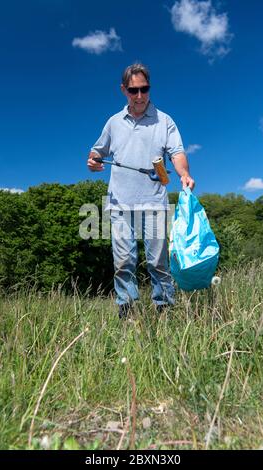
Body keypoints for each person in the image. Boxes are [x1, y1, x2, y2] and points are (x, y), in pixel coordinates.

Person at [87, 63, 195, 318]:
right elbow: (97, 153)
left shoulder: (164, 120)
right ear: (124, 90)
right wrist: (93, 161)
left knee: (158, 261)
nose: (139, 96)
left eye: (144, 89)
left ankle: (165, 311)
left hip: (155, 203)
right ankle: (128, 313)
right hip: (120, 204)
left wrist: (184, 174)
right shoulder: (113, 123)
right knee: (123, 262)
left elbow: (177, 152)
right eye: (133, 90)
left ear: (149, 88)